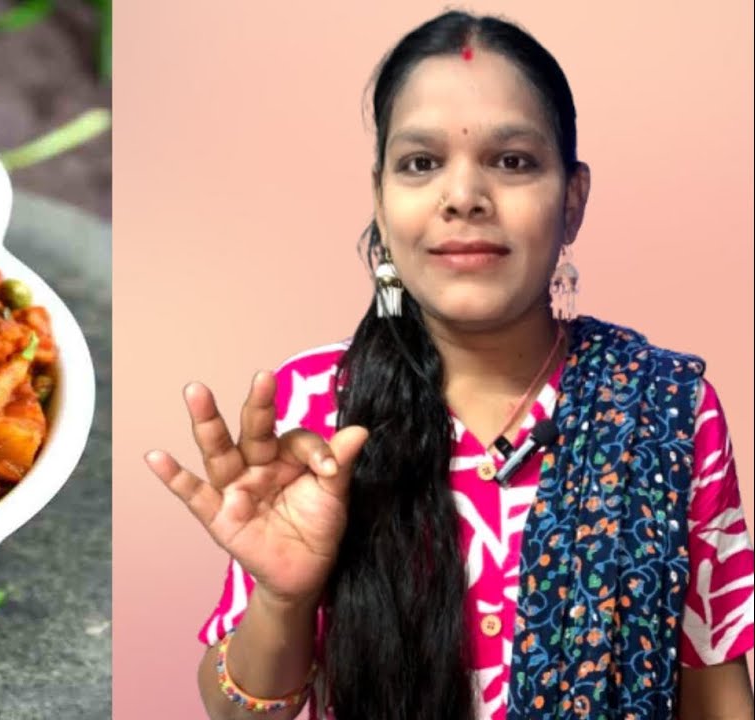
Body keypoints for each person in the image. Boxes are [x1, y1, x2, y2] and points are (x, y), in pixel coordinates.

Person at [145, 10, 755, 720]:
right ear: (379, 199)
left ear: (574, 200)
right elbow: (237, 714)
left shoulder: (667, 408)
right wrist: (285, 598)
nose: (462, 197)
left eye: (513, 161)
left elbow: (717, 693)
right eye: (421, 164)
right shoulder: (315, 408)